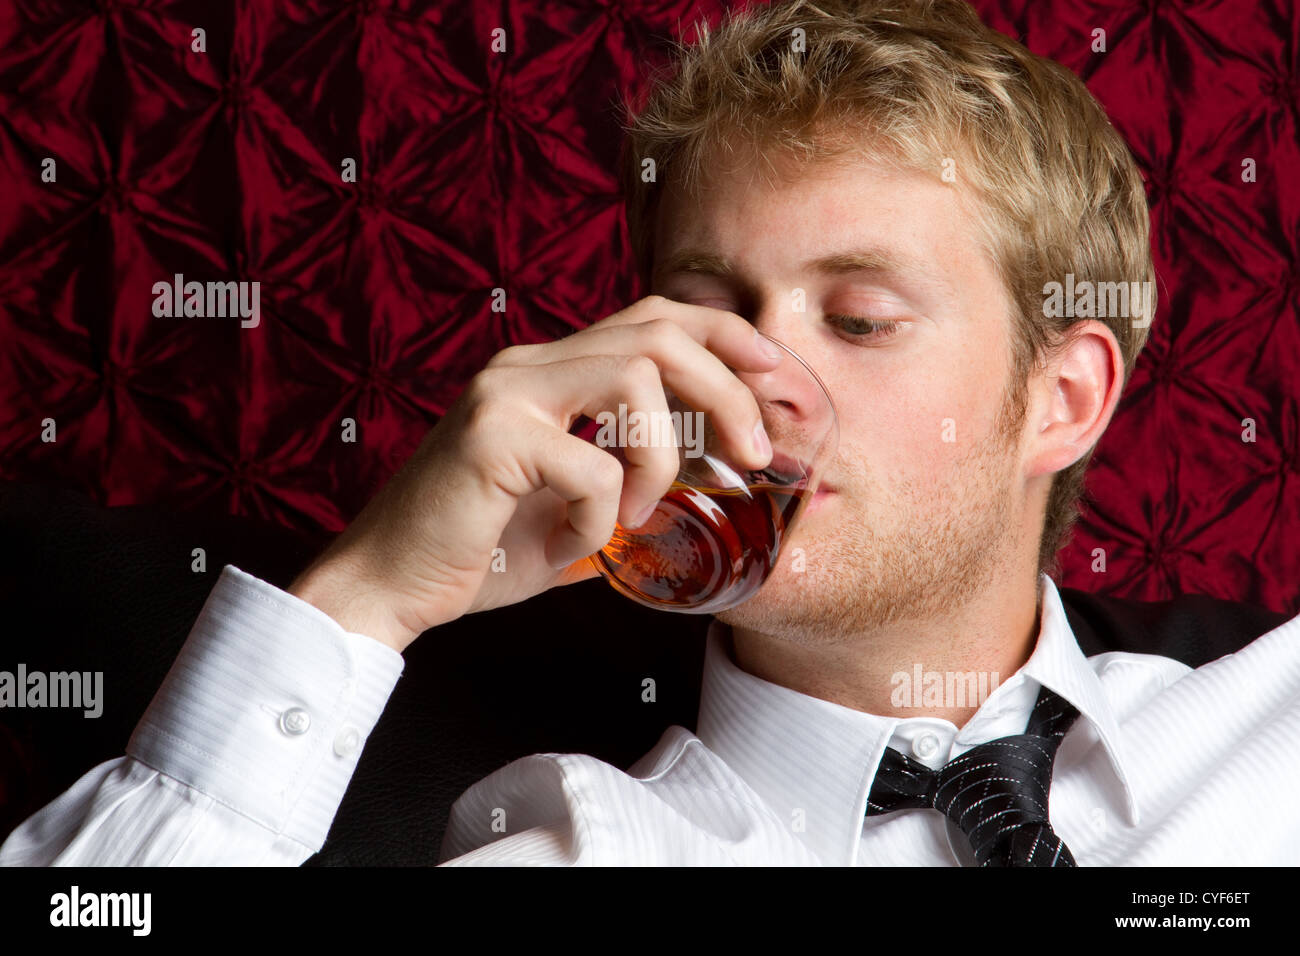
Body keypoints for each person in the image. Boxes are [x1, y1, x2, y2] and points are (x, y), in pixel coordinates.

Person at [2, 0, 1297, 866]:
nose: (760, 376)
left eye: (856, 318)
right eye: (704, 312)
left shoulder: (1268, 729)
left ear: (1061, 399)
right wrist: (365, 596)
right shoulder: (562, 841)